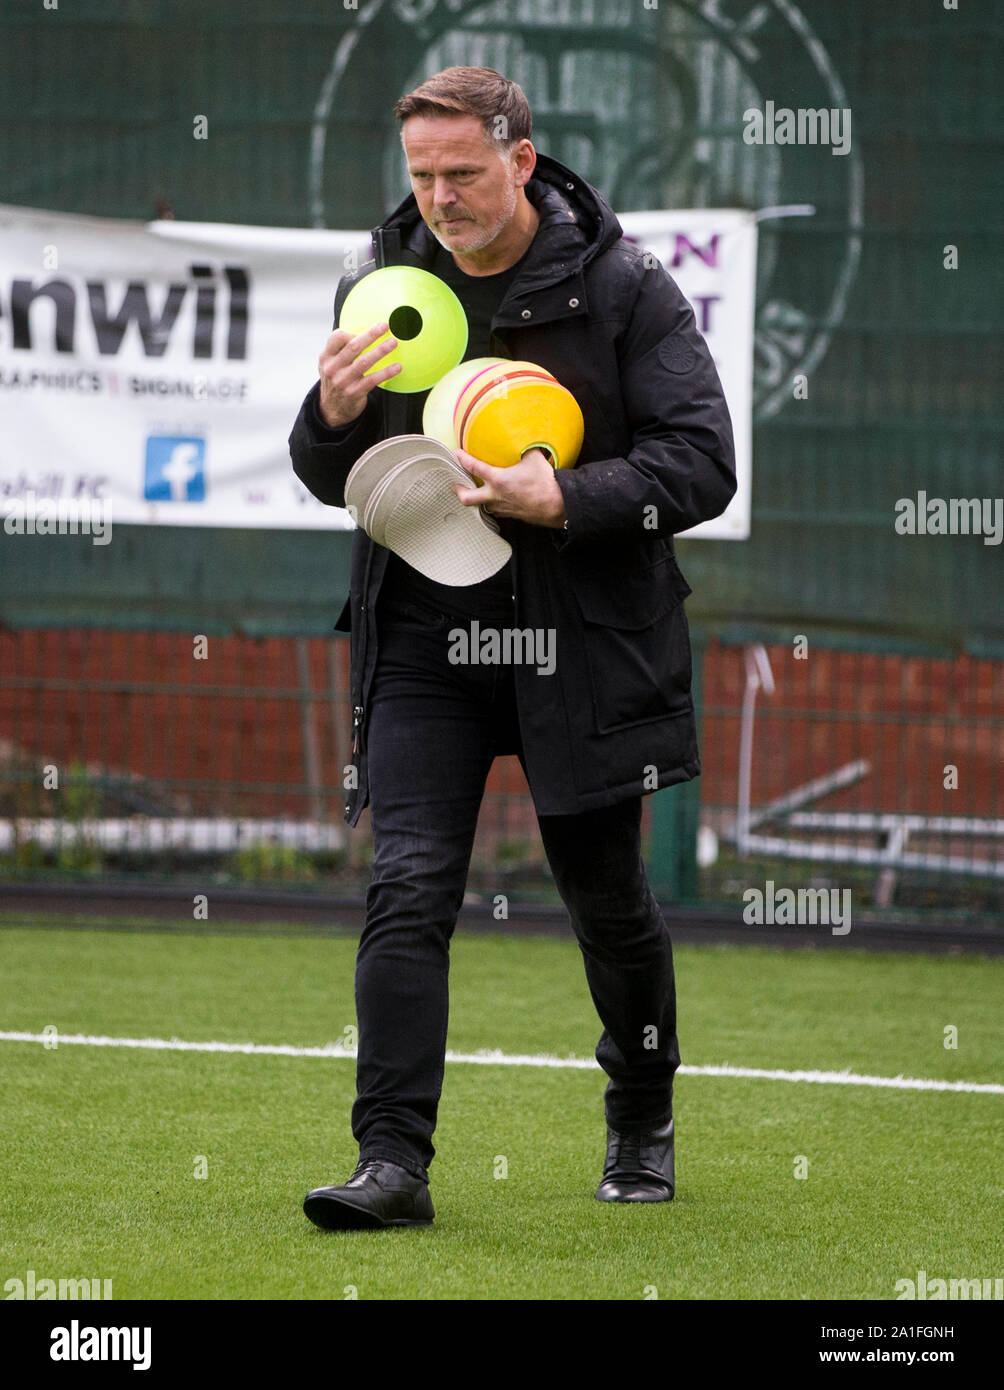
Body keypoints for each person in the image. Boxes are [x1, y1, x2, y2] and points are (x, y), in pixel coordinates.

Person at [289, 67, 736, 1230]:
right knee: (407, 884)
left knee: (605, 897)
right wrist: (328, 418)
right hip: (423, 639)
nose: (440, 197)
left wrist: (566, 498)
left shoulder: (626, 285)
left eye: (463, 173)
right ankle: (391, 1163)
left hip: (577, 636)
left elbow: (699, 461)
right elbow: (336, 476)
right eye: (421, 175)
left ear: (521, 160)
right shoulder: (378, 280)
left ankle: (639, 1115)